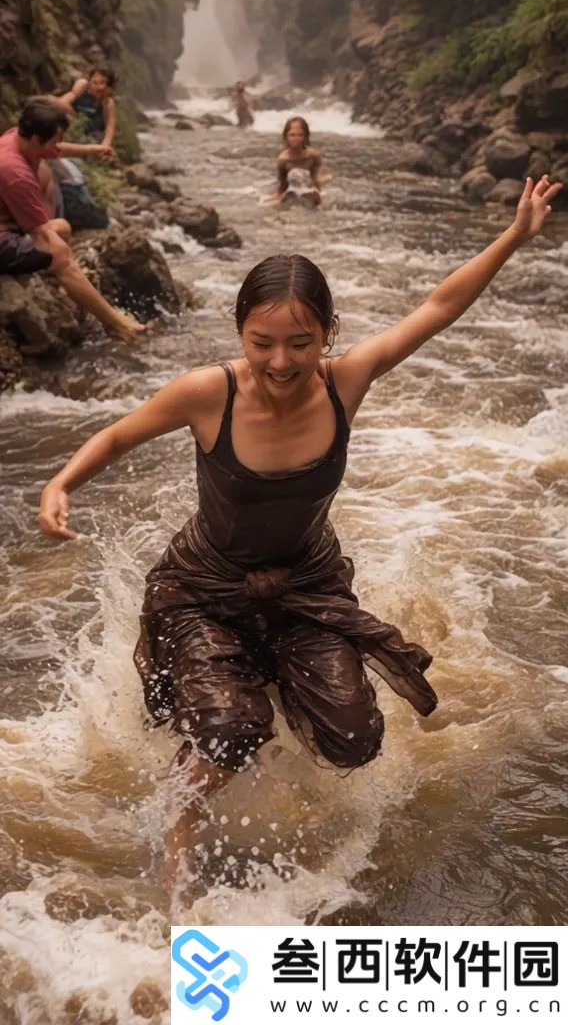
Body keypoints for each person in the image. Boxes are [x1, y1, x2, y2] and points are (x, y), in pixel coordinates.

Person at [38, 174, 561, 885]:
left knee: (353, 736)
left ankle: (265, 684)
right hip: (205, 584)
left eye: (300, 343)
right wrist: (61, 483)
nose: (281, 362)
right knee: (228, 728)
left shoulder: (347, 381)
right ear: (239, 333)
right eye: (262, 343)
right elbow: (118, 436)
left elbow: (438, 306)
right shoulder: (206, 392)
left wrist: (515, 235)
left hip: (308, 581)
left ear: (328, 335)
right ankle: (180, 823)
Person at [0, 97, 149, 343]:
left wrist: (93, 150)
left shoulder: (19, 137)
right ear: (37, 139)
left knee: (63, 228)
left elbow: (56, 150)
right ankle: (116, 324)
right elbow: (43, 237)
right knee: (59, 254)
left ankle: (60, 283)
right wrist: (61, 259)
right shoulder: (14, 171)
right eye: (55, 139)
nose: (57, 146)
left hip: (10, 226)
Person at [58, 66, 117, 148]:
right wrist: (75, 116)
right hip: (69, 132)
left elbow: (109, 130)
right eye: (95, 82)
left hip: (88, 139)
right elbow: (59, 103)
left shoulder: (108, 103)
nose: (99, 87)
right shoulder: (81, 91)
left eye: (103, 83)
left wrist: (103, 148)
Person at [276, 117, 323, 207]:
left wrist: (319, 194)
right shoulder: (283, 159)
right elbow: (282, 185)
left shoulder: (314, 156)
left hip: (309, 190)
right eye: (292, 135)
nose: (296, 139)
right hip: (291, 192)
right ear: (286, 136)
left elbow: (315, 180)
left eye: (300, 135)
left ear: (305, 136)